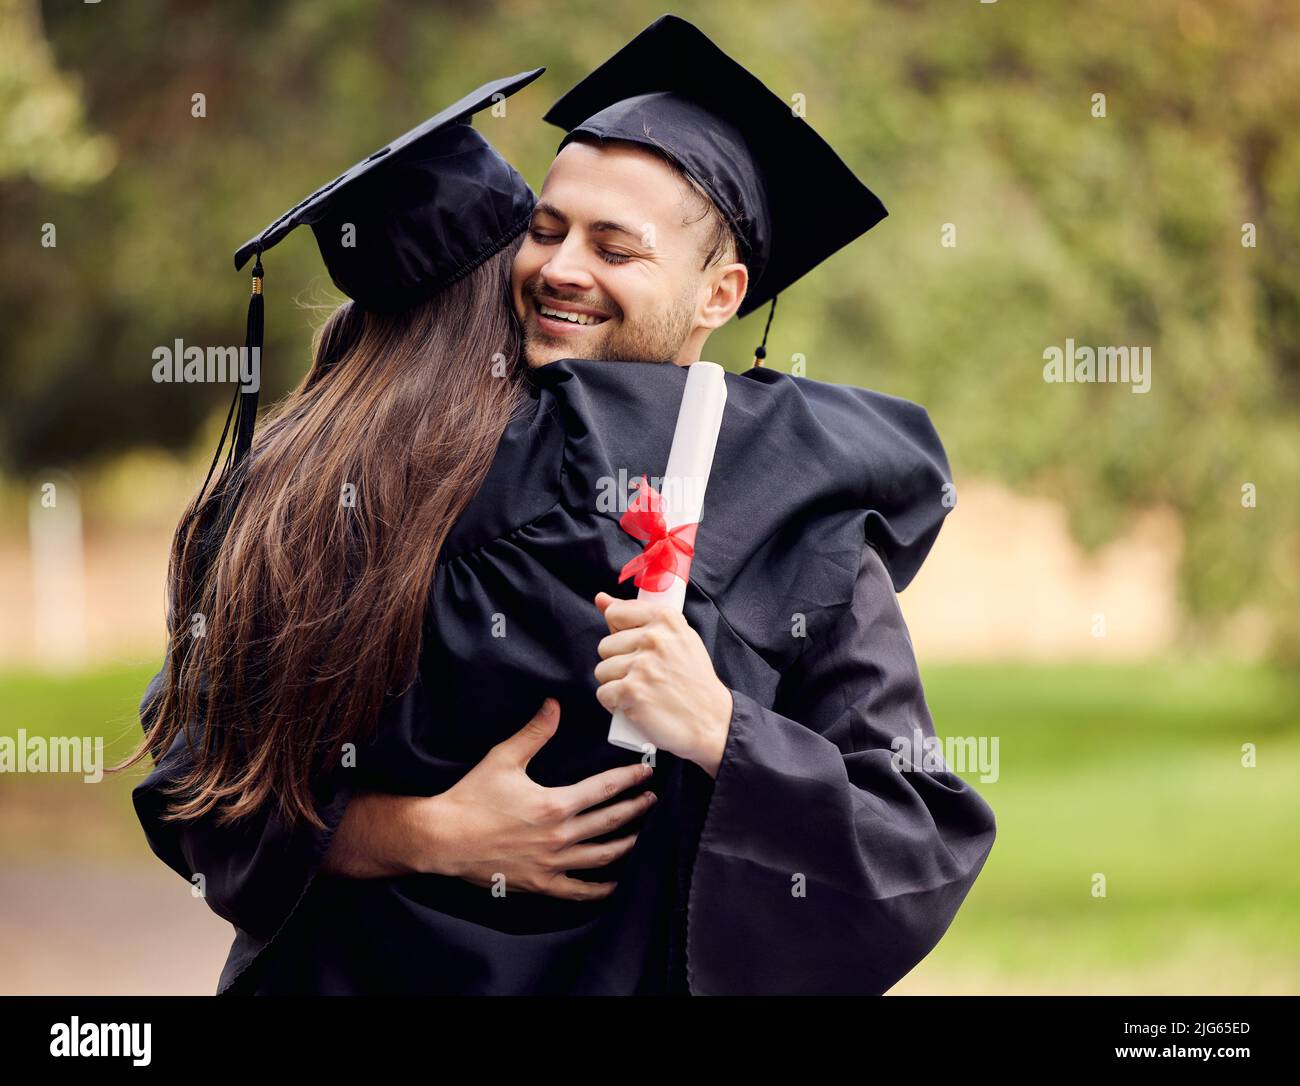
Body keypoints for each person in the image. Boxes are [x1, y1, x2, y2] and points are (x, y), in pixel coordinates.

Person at [129, 19, 997, 996]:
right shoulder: (377, 472)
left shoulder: (790, 514)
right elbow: (197, 782)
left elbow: (912, 840)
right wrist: (419, 832)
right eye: (544, 230)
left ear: (722, 292)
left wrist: (719, 726)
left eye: (614, 248)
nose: (560, 269)